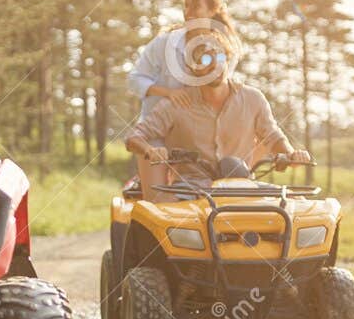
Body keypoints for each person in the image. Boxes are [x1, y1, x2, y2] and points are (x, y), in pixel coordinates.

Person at [124, 23, 310, 195]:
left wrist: (291, 154)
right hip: (191, 192)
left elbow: (273, 137)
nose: (215, 65)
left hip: (241, 188)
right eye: (206, 59)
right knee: (173, 221)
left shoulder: (253, 99)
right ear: (192, 68)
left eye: (220, 57)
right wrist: (150, 150)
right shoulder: (175, 105)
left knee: (291, 204)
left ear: (228, 60)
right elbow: (133, 138)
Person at [128, 0, 238, 119]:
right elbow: (134, 80)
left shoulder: (225, 50)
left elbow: (220, 91)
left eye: (196, 6)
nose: (188, 12)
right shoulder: (164, 43)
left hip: (196, 131)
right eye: (186, 5)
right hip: (155, 133)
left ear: (211, 11)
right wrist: (168, 93)